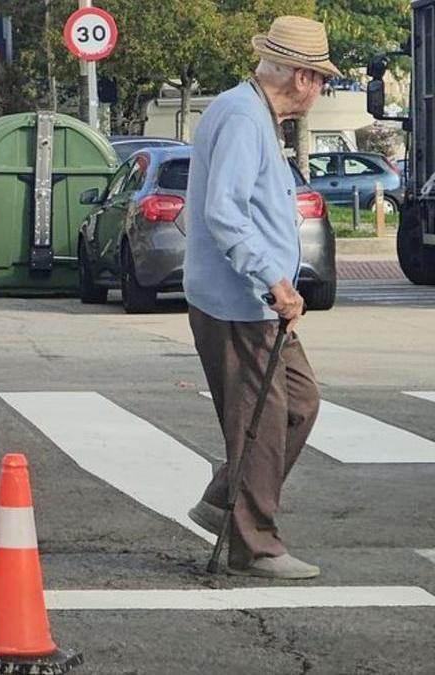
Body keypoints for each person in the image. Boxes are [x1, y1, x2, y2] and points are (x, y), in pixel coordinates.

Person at [183, 16, 340, 580]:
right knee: (263, 418)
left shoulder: (253, 114)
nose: (320, 90)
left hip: (255, 300)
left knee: (298, 402)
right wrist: (274, 280)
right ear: (301, 77)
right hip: (240, 301)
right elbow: (224, 212)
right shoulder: (244, 117)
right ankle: (255, 546)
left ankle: (224, 499)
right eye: (320, 80)